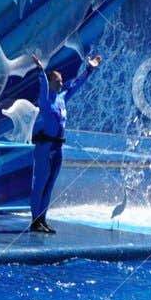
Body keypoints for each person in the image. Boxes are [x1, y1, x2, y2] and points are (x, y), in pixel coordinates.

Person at [21, 52, 101, 234]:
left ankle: (43, 219)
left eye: (61, 80)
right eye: (57, 80)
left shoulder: (62, 98)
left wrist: (89, 69)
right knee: (40, 183)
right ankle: (34, 221)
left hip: (58, 148)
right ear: (50, 83)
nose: (61, 83)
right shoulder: (45, 98)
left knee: (50, 185)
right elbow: (42, 83)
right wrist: (40, 70)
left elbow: (77, 85)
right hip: (45, 147)